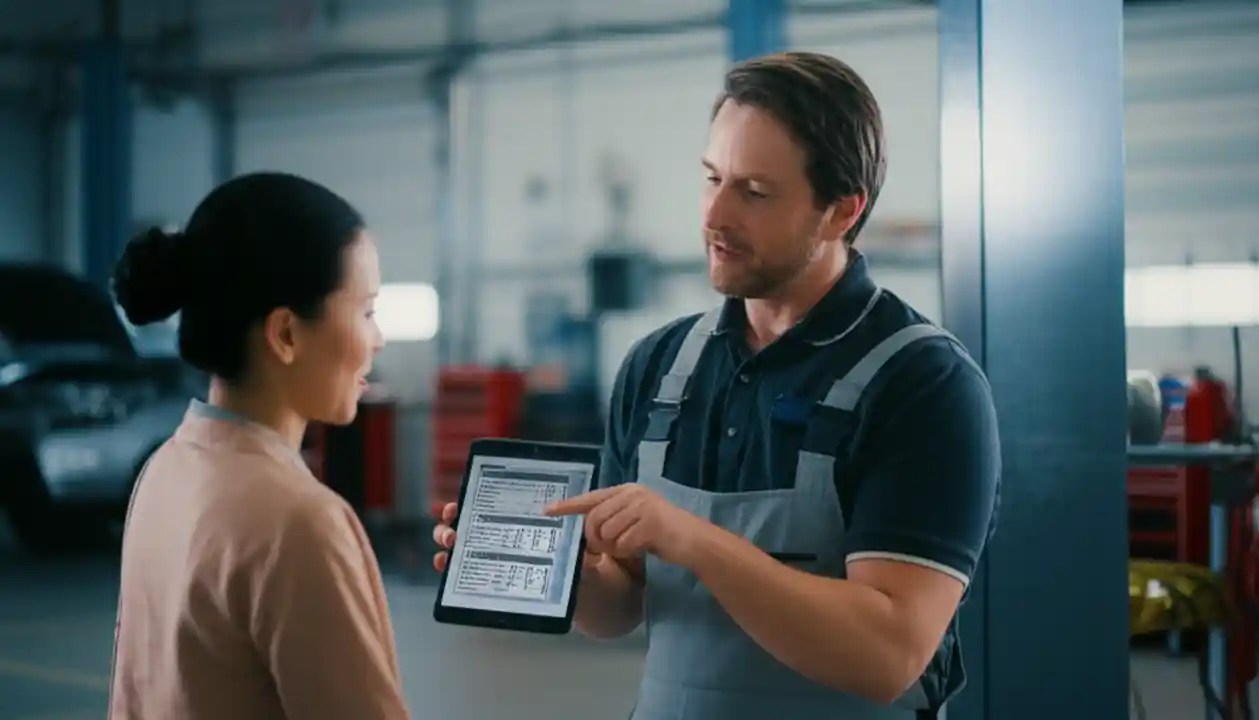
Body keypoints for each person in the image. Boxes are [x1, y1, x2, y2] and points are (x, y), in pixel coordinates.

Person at [435, 51, 1000, 719]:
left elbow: (887, 655)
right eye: (711, 179)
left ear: (841, 212)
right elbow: (624, 606)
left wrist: (694, 539)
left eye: (754, 192)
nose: (714, 216)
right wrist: (565, 575)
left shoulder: (922, 385)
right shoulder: (660, 367)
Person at [108, 172, 411, 719]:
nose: (378, 338)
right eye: (365, 311)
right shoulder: (299, 522)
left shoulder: (164, 471)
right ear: (286, 334)